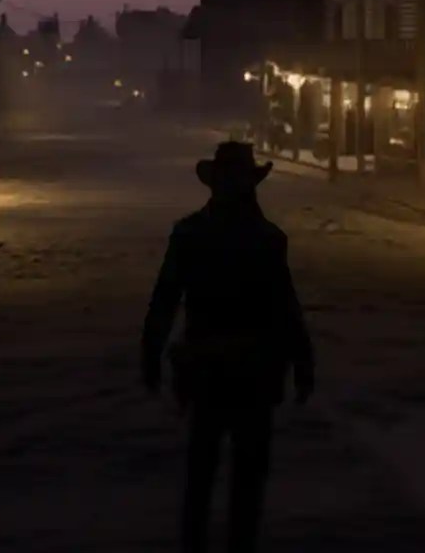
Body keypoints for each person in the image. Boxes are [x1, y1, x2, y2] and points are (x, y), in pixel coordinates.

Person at [142, 141, 315, 553]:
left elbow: (165, 300)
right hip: (253, 371)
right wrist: (302, 361)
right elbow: (285, 306)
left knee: (204, 470)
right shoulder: (266, 238)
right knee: (245, 476)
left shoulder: (191, 233)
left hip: (210, 371)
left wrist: (151, 352)